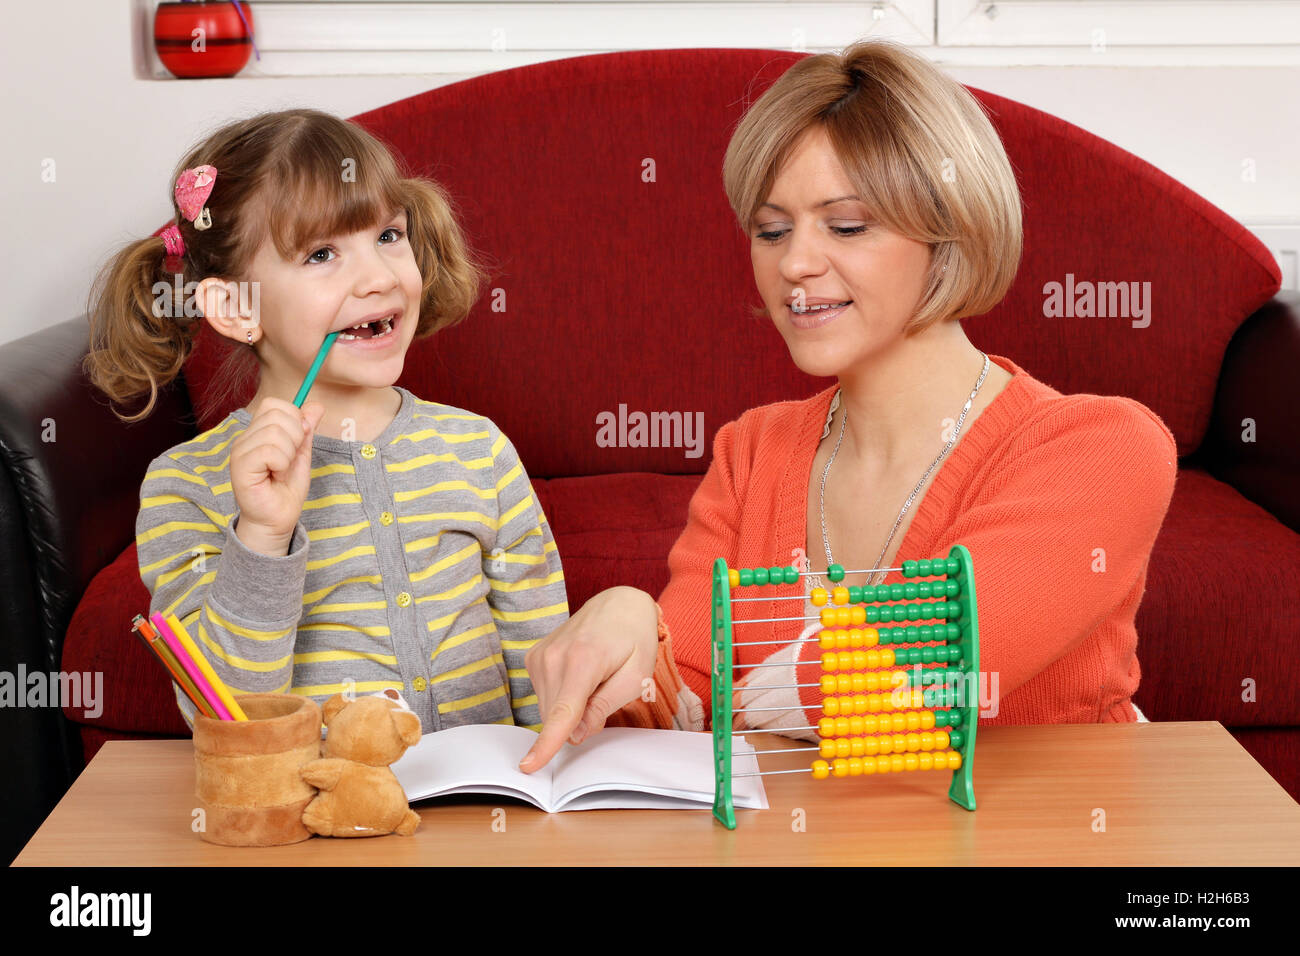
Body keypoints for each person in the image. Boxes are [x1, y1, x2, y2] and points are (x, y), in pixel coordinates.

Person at [519, 38, 1176, 772]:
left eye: (847, 225)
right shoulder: (754, 450)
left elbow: (923, 679)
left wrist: (731, 686)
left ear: (950, 232)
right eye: (771, 230)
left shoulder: (1102, 446)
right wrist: (626, 622)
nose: (793, 263)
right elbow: (685, 711)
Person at [85, 108, 581, 734]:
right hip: (312, 817)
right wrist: (262, 536)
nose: (377, 277)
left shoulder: (477, 449)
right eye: (322, 253)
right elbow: (224, 713)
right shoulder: (184, 486)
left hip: (482, 821)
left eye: (388, 237)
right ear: (235, 307)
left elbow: (543, 662)